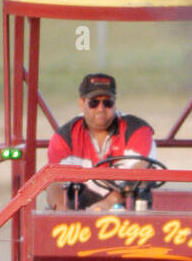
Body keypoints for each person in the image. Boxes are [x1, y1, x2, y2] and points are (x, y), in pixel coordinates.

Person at [46, 73, 156, 212]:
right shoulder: (64, 137)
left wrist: (106, 204)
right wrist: (63, 213)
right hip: (78, 216)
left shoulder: (137, 130)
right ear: (81, 103)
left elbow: (140, 172)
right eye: (94, 102)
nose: (101, 108)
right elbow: (54, 183)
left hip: (130, 213)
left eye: (107, 102)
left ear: (115, 103)